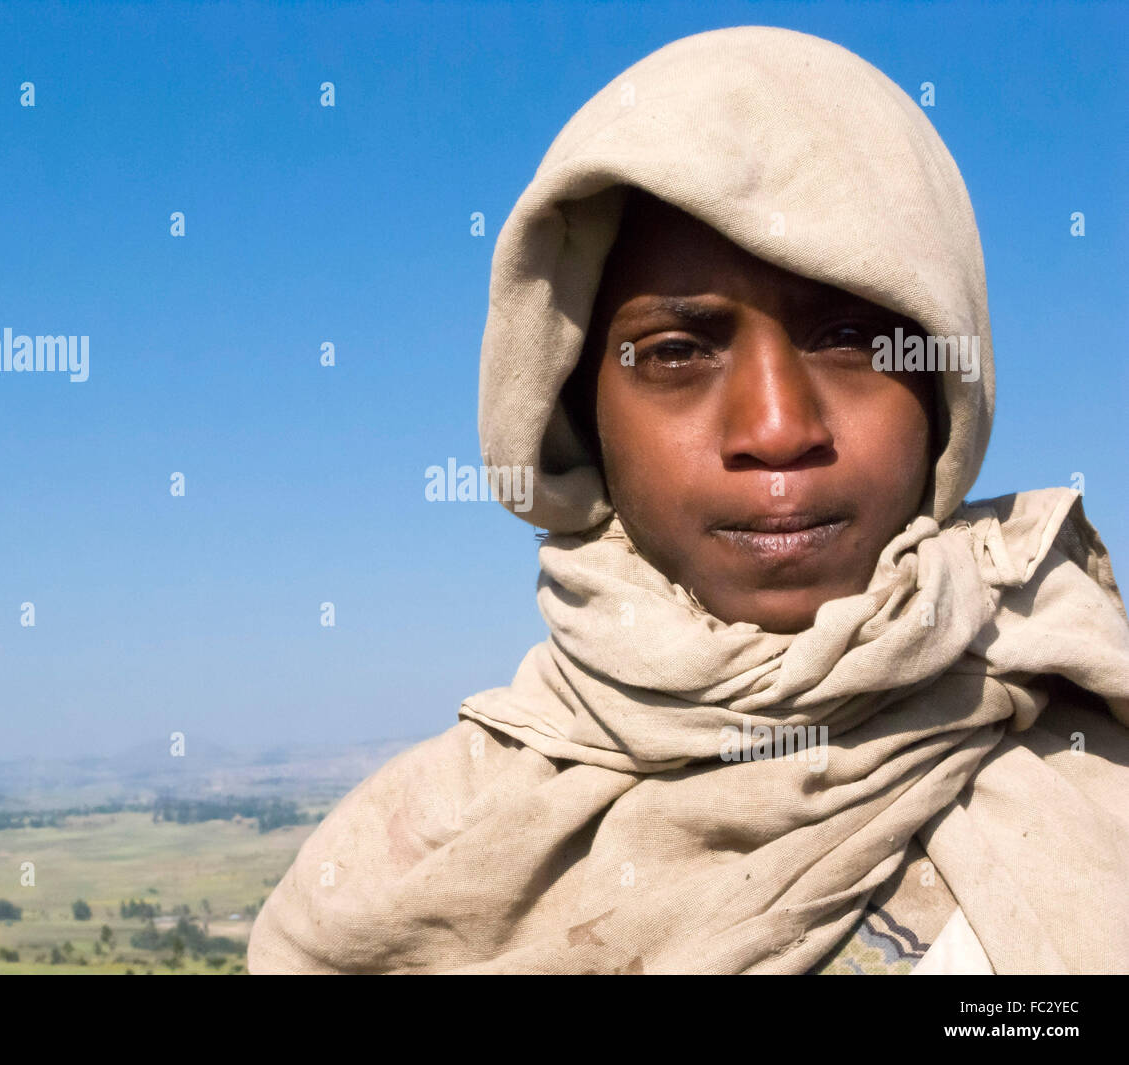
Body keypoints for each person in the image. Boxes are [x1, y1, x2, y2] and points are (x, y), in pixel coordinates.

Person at [248, 25, 1129, 974]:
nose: (779, 426)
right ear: (576, 415)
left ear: (946, 383)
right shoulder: (410, 867)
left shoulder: (1091, 782)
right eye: (676, 352)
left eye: (850, 336)